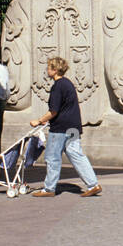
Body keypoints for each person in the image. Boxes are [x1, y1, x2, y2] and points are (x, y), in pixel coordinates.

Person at [30, 57, 101, 198]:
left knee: (52, 157)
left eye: (49, 67)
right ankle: (93, 184)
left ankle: (49, 188)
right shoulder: (68, 83)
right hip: (73, 126)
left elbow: (54, 110)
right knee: (76, 154)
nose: (47, 70)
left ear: (55, 70)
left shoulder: (58, 86)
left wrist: (39, 121)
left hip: (60, 128)